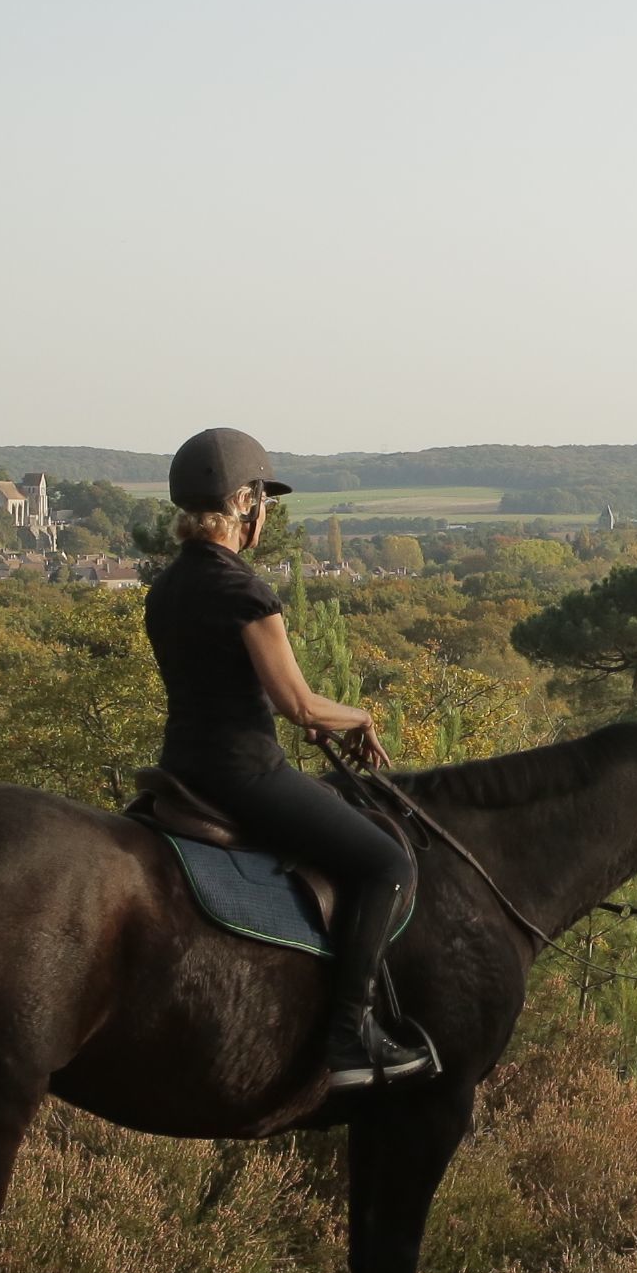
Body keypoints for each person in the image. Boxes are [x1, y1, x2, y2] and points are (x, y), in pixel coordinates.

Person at [143, 426, 435, 1089]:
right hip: (243, 774)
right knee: (386, 862)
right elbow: (298, 705)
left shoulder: (168, 587)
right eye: (264, 501)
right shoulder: (243, 590)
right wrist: (358, 714)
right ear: (244, 501)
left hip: (182, 769)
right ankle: (348, 1033)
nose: (266, 514)